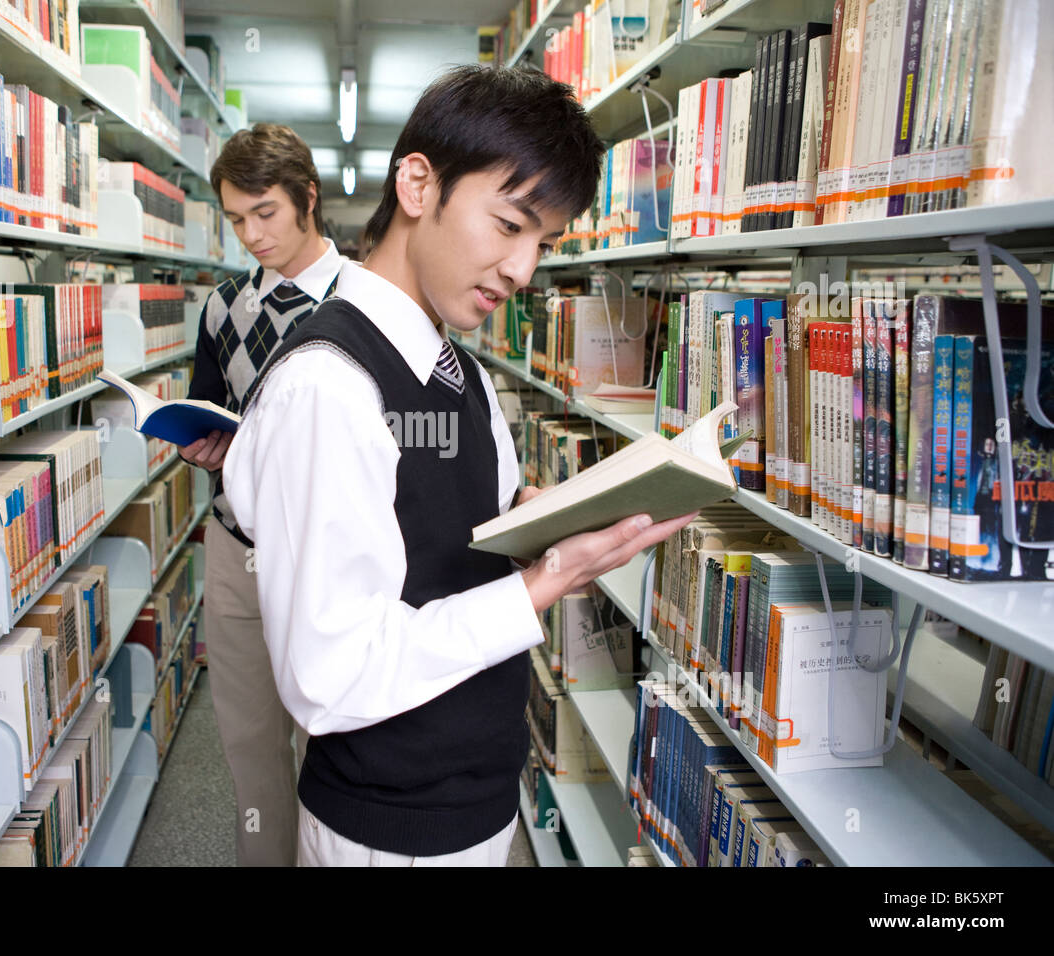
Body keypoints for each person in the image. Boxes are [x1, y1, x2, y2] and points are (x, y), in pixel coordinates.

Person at [223, 65, 697, 867]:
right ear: (417, 184)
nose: (524, 271)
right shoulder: (325, 386)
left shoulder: (463, 372)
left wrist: (534, 523)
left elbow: (445, 544)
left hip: (475, 799)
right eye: (510, 225)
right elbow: (328, 673)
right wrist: (540, 584)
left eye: (543, 243)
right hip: (387, 829)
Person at [177, 123, 345, 867]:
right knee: (250, 744)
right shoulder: (222, 308)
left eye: (265, 213)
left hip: (331, 555)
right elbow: (206, 407)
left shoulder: (366, 301)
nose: (250, 235)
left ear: (308, 198)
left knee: (335, 739)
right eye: (236, 218)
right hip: (237, 548)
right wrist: (202, 449)